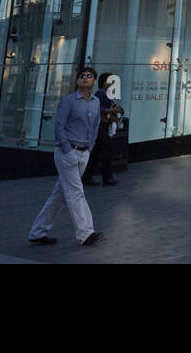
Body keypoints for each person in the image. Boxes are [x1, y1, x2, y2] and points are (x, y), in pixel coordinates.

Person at [29, 66, 104, 246]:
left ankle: (38, 231)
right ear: (78, 81)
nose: (85, 78)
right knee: (76, 192)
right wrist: (67, 150)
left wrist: (89, 149)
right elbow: (59, 127)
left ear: (93, 81)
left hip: (84, 153)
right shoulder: (68, 101)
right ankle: (86, 232)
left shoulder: (95, 103)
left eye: (89, 76)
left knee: (60, 195)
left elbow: (95, 127)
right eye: (82, 76)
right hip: (67, 153)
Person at [82, 72, 124, 187]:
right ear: (105, 83)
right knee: (107, 151)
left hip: (101, 126)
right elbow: (98, 108)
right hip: (101, 126)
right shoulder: (101, 94)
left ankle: (87, 177)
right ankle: (107, 177)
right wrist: (112, 111)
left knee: (96, 153)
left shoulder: (106, 94)